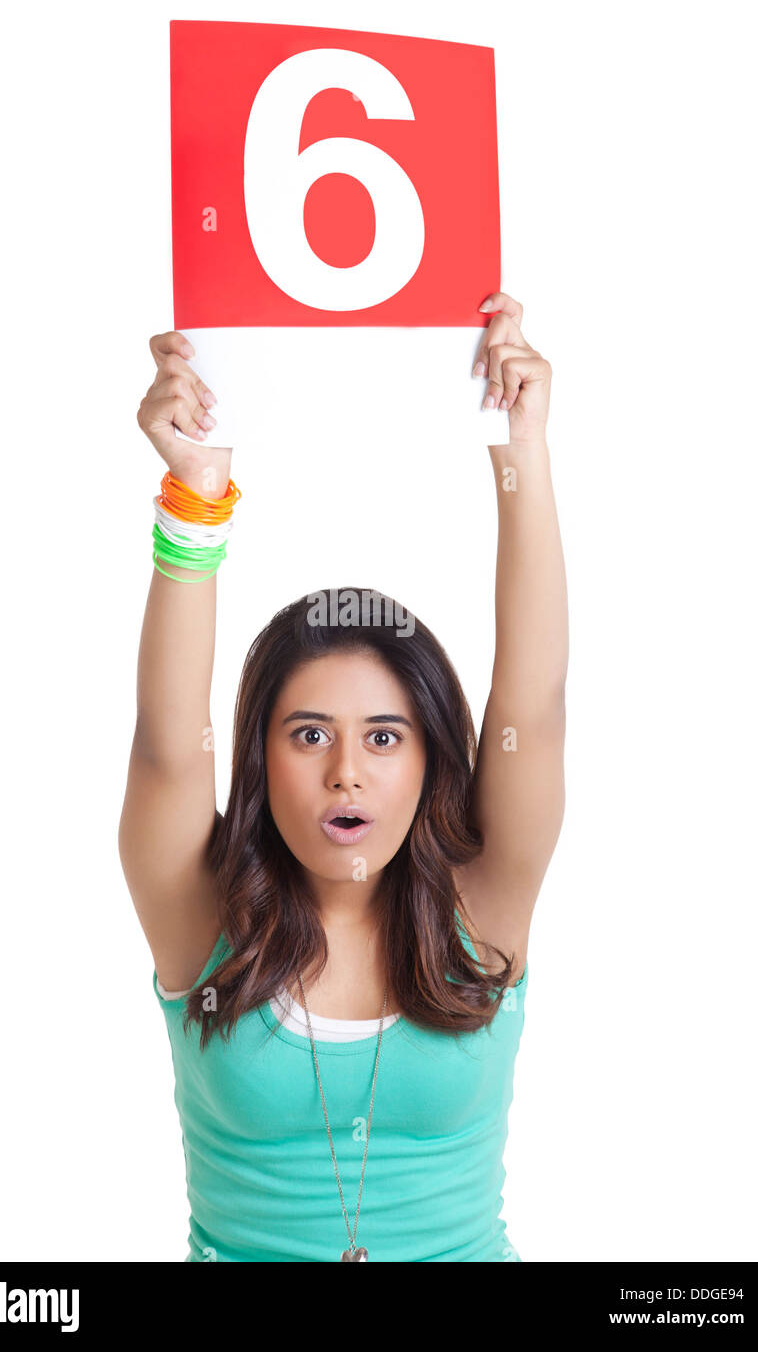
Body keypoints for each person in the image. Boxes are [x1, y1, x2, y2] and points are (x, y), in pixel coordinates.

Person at [118, 290, 568, 1262]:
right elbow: (165, 743)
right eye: (309, 734)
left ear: (431, 756)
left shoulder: (482, 908)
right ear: (257, 754)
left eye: (384, 737)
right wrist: (197, 491)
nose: (345, 775)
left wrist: (517, 448)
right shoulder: (201, 923)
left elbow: (529, 710)